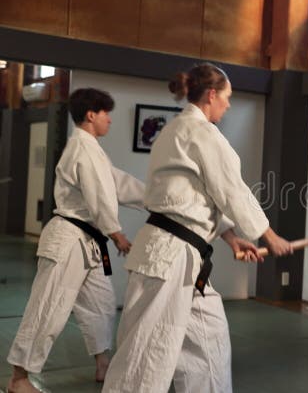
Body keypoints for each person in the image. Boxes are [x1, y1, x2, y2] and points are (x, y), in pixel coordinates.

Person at [101, 63, 293, 393]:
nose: (229, 105)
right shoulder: (201, 132)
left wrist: (232, 238)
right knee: (146, 354)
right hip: (169, 257)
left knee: (209, 347)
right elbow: (231, 189)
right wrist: (268, 234)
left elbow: (194, 195)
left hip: (184, 258)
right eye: (227, 98)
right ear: (212, 94)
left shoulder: (176, 130)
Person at [6, 88, 145, 393]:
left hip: (87, 244)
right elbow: (98, 194)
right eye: (105, 112)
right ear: (90, 115)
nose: (110, 119)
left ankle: (102, 363)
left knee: (102, 304)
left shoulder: (92, 148)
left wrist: (157, 199)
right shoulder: (82, 148)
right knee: (48, 307)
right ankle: (18, 378)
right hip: (68, 239)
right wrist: (116, 233)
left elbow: (117, 183)